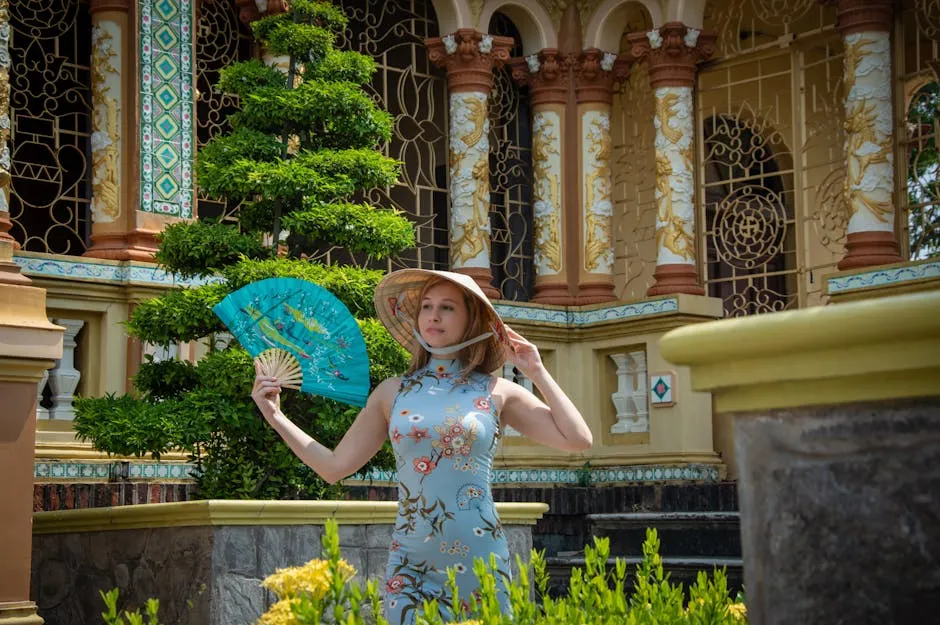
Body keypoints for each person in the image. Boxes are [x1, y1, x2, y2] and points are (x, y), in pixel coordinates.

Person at [251, 269, 592, 624]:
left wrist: (537, 372)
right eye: (427, 306)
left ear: (472, 320)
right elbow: (333, 467)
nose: (433, 315)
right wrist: (274, 415)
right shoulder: (392, 393)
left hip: (480, 557)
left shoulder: (496, 391)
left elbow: (578, 439)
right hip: (411, 564)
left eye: (447, 307)